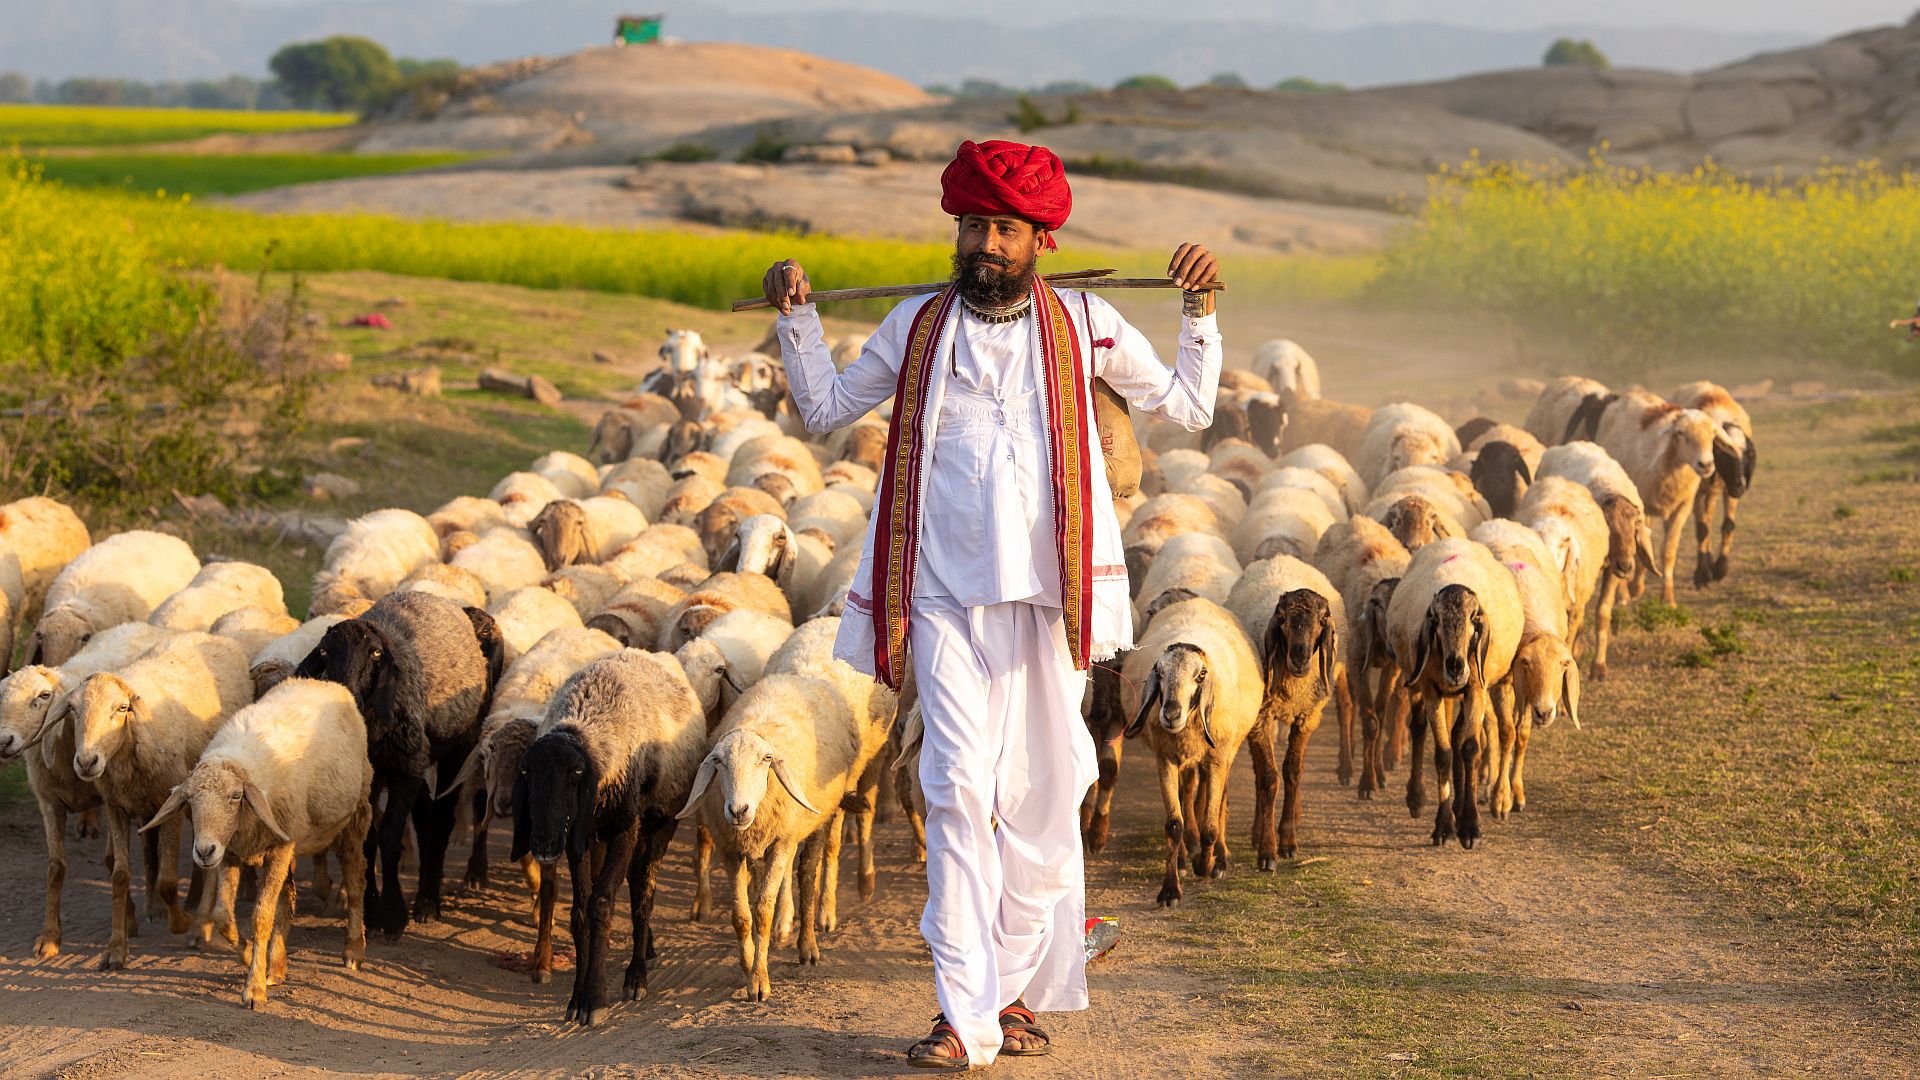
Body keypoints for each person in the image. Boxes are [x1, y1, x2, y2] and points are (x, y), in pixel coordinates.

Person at [761, 138, 1222, 1069]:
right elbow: (825, 409)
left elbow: (1189, 404)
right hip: (939, 596)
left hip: (1050, 601)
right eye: (973, 225)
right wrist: (797, 319)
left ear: (1042, 240)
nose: (986, 244)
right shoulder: (914, 325)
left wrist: (1199, 309)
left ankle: (1014, 990)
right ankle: (964, 1016)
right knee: (957, 790)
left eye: (1006, 229)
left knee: (1048, 796)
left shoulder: (1087, 322)